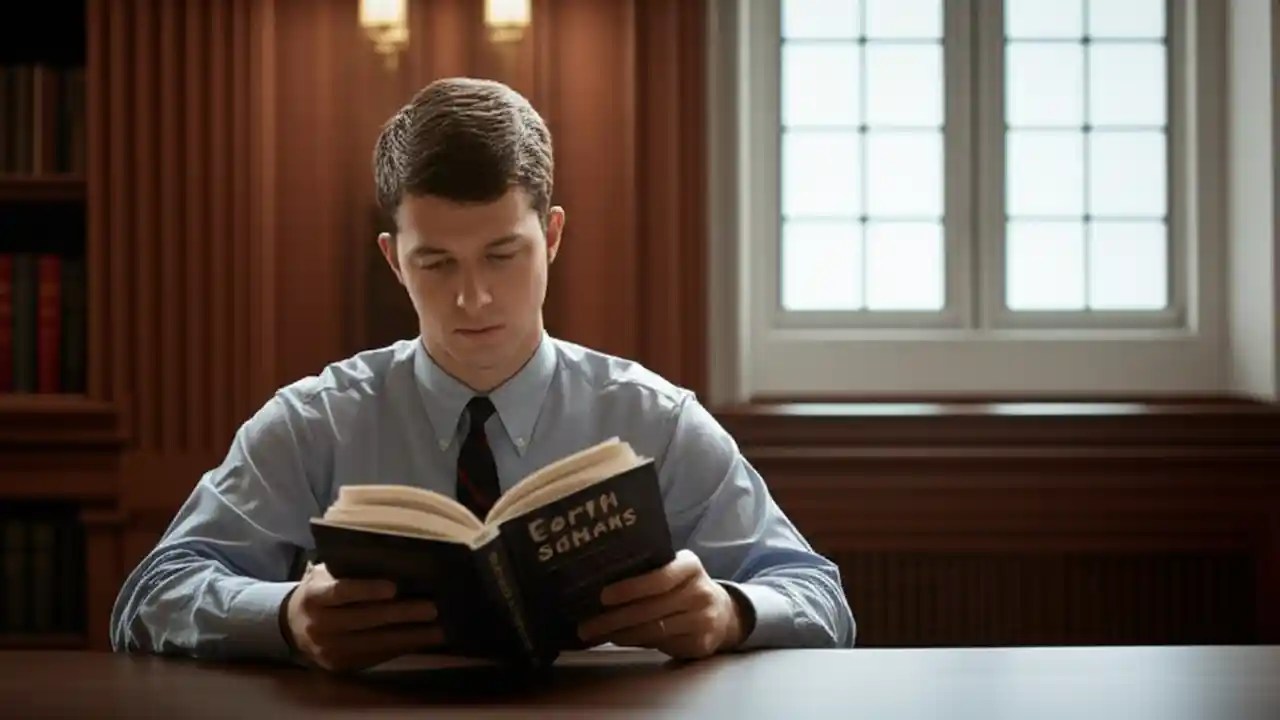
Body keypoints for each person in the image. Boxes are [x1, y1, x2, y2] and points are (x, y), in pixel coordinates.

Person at [110, 77, 855, 672]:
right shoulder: (314, 423)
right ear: (394, 260)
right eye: (436, 262)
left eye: (503, 254)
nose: (475, 298)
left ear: (552, 235)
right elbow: (147, 598)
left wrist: (731, 613)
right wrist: (282, 618)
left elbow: (820, 599)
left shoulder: (653, 419)